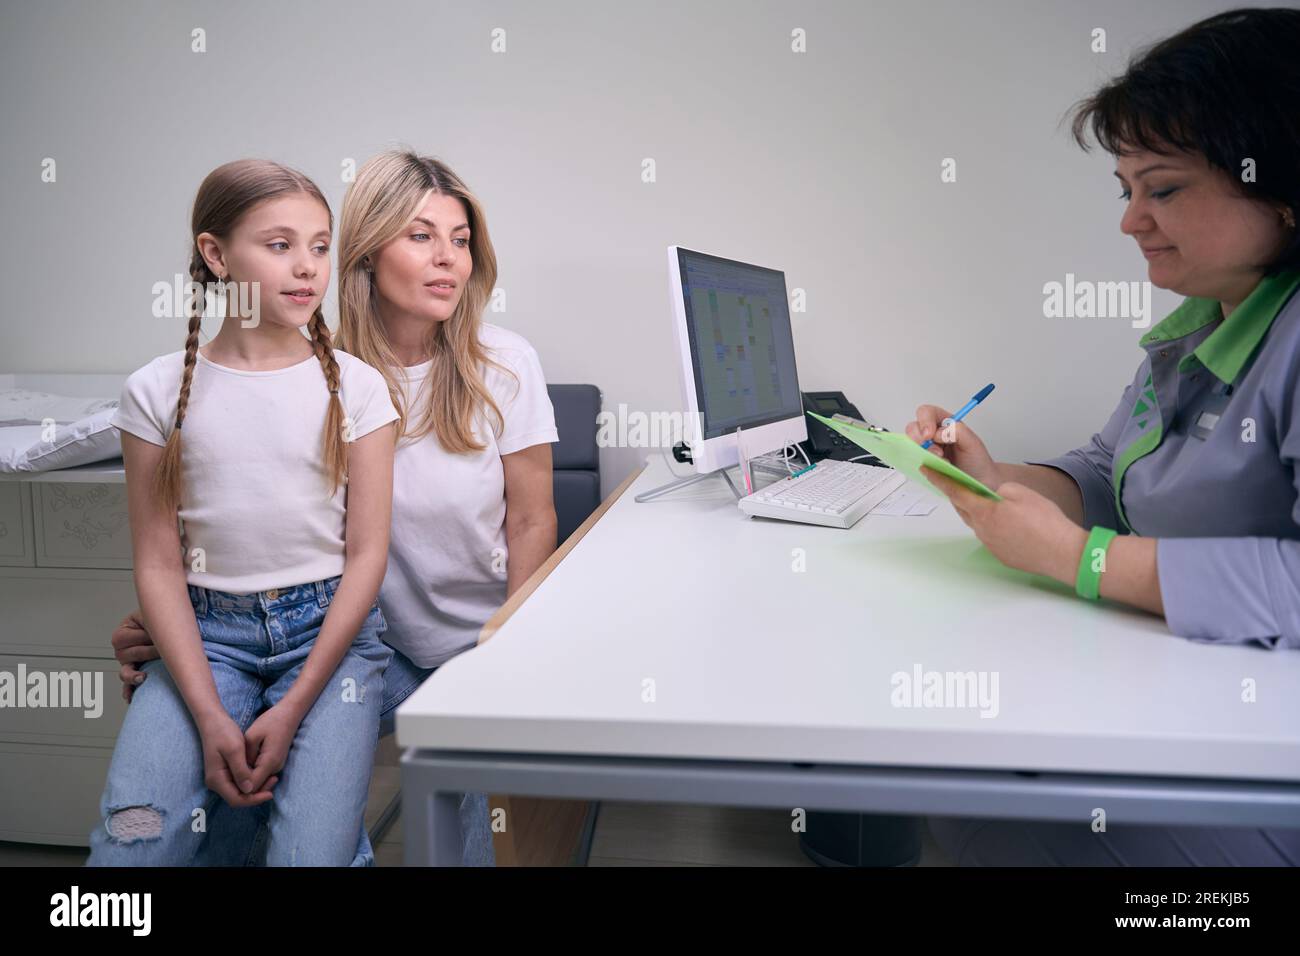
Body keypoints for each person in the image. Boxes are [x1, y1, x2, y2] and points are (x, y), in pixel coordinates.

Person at [908, 7, 1300, 865]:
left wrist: (1076, 558)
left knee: (980, 801)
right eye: (1125, 191)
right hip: (1183, 697)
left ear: (1282, 187)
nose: (1131, 222)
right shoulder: (1198, 327)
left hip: (1266, 758)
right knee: (955, 786)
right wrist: (989, 472)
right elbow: (1103, 472)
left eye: (1162, 189)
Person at [111, 150, 560, 866]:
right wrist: (172, 626)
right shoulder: (318, 366)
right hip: (368, 646)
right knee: (232, 759)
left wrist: (502, 658)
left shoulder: (503, 363)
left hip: (464, 651)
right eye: (421, 236)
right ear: (367, 254)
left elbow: (534, 520)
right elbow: (247, 519)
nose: (448, 258)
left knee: (456, 764)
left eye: (461, 238)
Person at [89, 160, 399, 866]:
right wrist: (206, 712)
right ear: (216, 254)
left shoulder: (359, 388)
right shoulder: (153, 391)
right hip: (207, 638)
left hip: (330, 639)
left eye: (320, 246)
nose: (307, 267)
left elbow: (367, 557)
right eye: (280, 244)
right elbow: (158, 562)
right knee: (132, 840)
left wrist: (289, 709)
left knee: (310, 857)